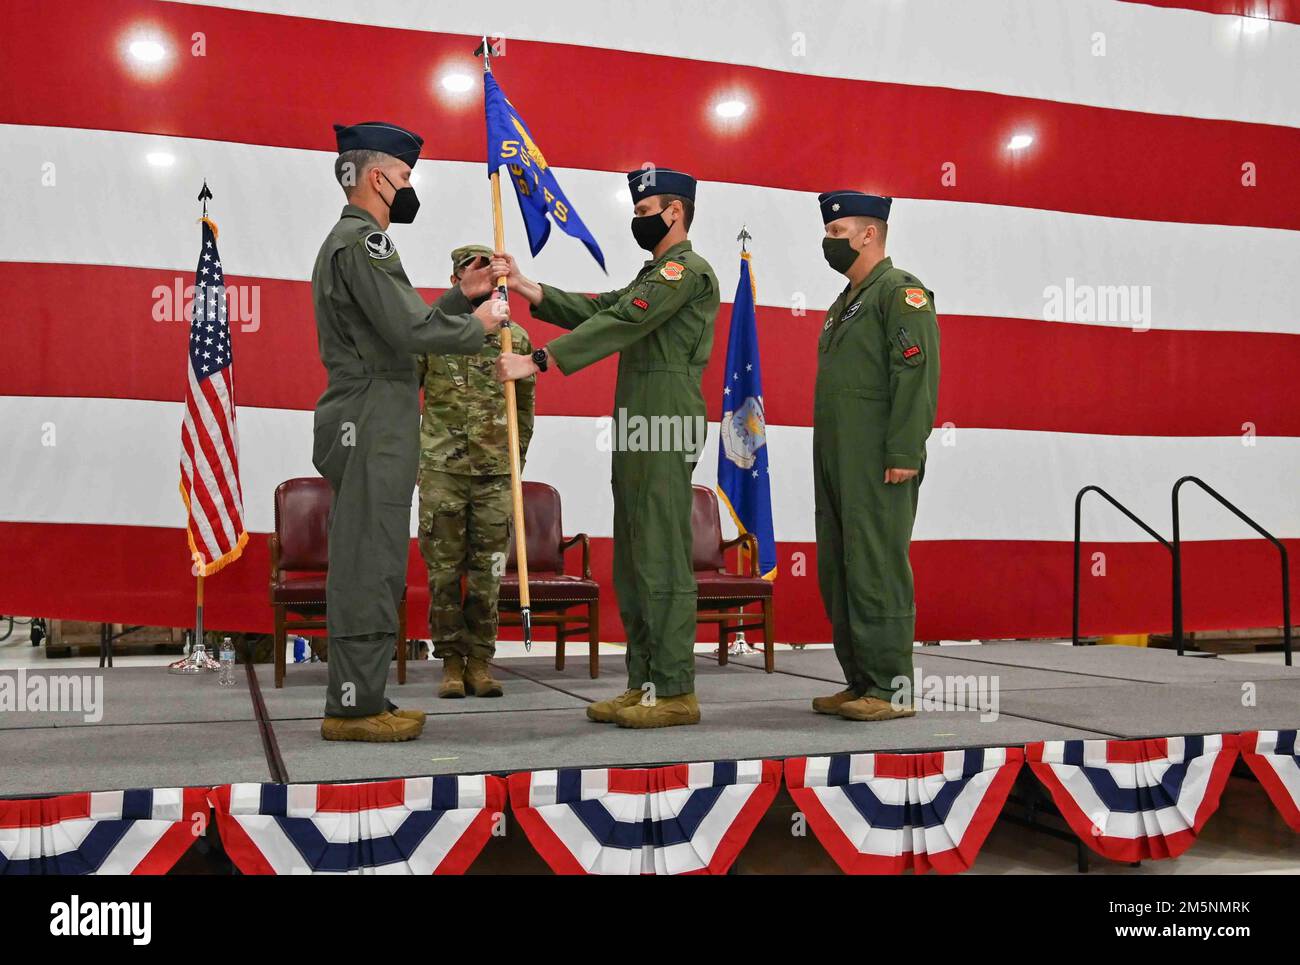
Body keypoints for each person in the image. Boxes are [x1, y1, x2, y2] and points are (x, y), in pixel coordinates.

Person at [492, 168, 720, 729]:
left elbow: (619, 320)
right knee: (637, 555)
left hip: (665, 416)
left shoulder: (684, 271)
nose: (637, 221)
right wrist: (527, 288)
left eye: (646, 213)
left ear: (675, 212)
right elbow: (600, 307)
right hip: (640, 416)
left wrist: (538, 360)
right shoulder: (655, 274)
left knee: (662, 552)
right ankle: (645, 682)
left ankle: (674, 689)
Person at [311, 121, 505, 742]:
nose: (407, 190)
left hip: (375, 413)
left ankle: (363, 695)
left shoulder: (358, 243)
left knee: (379, 558)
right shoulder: (364, 243)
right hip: (370, 416)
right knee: (369, 562)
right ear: (376, 177)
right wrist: (479, 322)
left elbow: (406, 323)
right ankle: (352, 707)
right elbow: (410, 334)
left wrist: (457, 297)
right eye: (404, 178)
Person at [809, 191, 940, 722]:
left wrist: (905, 449)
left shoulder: (900, 292)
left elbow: (915, 372)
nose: (828, 243)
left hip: (879, 456)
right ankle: (861, 678)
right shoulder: (846, 302)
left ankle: (893, 687)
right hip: (838, 455)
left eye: (837, 235)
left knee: (877, 566)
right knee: (840, 567)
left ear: (870, 234)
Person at [417, 245, 535, 699]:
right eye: (474, 276)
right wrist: (417, 460)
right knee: (443, 572)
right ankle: (449, 661)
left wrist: (514, 463)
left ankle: (481, 661)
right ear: (456, 283)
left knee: (488, 574)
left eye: (492, 278)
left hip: (495, 475)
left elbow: (524, 410)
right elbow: (406, 395)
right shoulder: (433, 335)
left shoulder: (515, 340)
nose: (485, 285)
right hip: (442, 471)